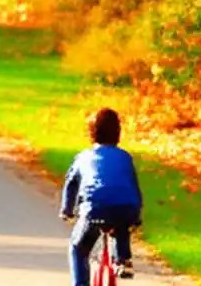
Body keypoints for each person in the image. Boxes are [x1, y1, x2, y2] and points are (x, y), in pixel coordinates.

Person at [60, 107, 143, 284]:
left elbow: (71, 183)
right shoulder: (125, 157)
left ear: (91, 133)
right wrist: (136, 215)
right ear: (118, 133)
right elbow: (132, 185)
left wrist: (67, 210)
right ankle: (122, 259)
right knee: (121, 220)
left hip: (94, 209)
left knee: (78, 248)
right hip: (127, 207)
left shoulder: (84, 157)